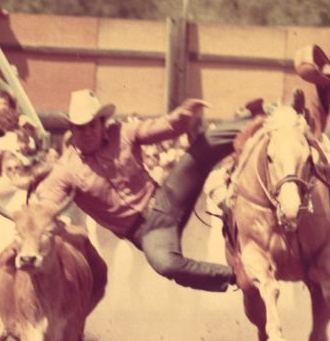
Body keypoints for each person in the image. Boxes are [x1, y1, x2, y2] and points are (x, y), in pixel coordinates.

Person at [33, 90, 238, 293]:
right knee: (166, 264)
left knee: (202, 148)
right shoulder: (65, 169)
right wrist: (36, 216)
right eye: (80, 127)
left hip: (165, 200)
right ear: (72, 129)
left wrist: (182, 116)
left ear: (102, 123)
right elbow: (46, 206)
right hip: (145, 232)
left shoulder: (123, 133)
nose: (87, 132)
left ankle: (260, 126)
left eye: (91, 125)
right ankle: (235, 275)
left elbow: (165, 126)